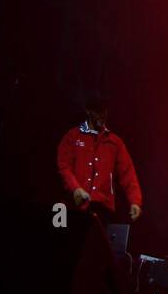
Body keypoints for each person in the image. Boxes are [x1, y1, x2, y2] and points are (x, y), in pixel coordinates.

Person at [57, 94, 143, 224]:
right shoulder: (72, 136)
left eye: (104, 110)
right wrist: (75, 188)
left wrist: (135, 201)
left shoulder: (115, 142)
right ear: (88, 110)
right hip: (72, 207)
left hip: (102, 211)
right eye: (98, 110)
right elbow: (63, 166)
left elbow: (128, 174)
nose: (102, 114)